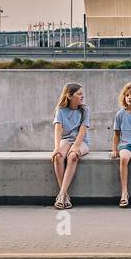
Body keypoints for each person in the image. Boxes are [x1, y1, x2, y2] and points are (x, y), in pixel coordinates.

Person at [51, 82, 91, 210]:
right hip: (66, 140)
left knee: (73, 156)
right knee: (58, 157)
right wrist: (57, 148)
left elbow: (82, 130)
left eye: (82, 94)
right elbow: (58, 130)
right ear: (69, 96)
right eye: (79, 94)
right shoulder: (61, 111)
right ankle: (65, 195)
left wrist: (76, 147)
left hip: (82, 141)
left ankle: (61, 194)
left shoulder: (85, 110)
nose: (82, 96)